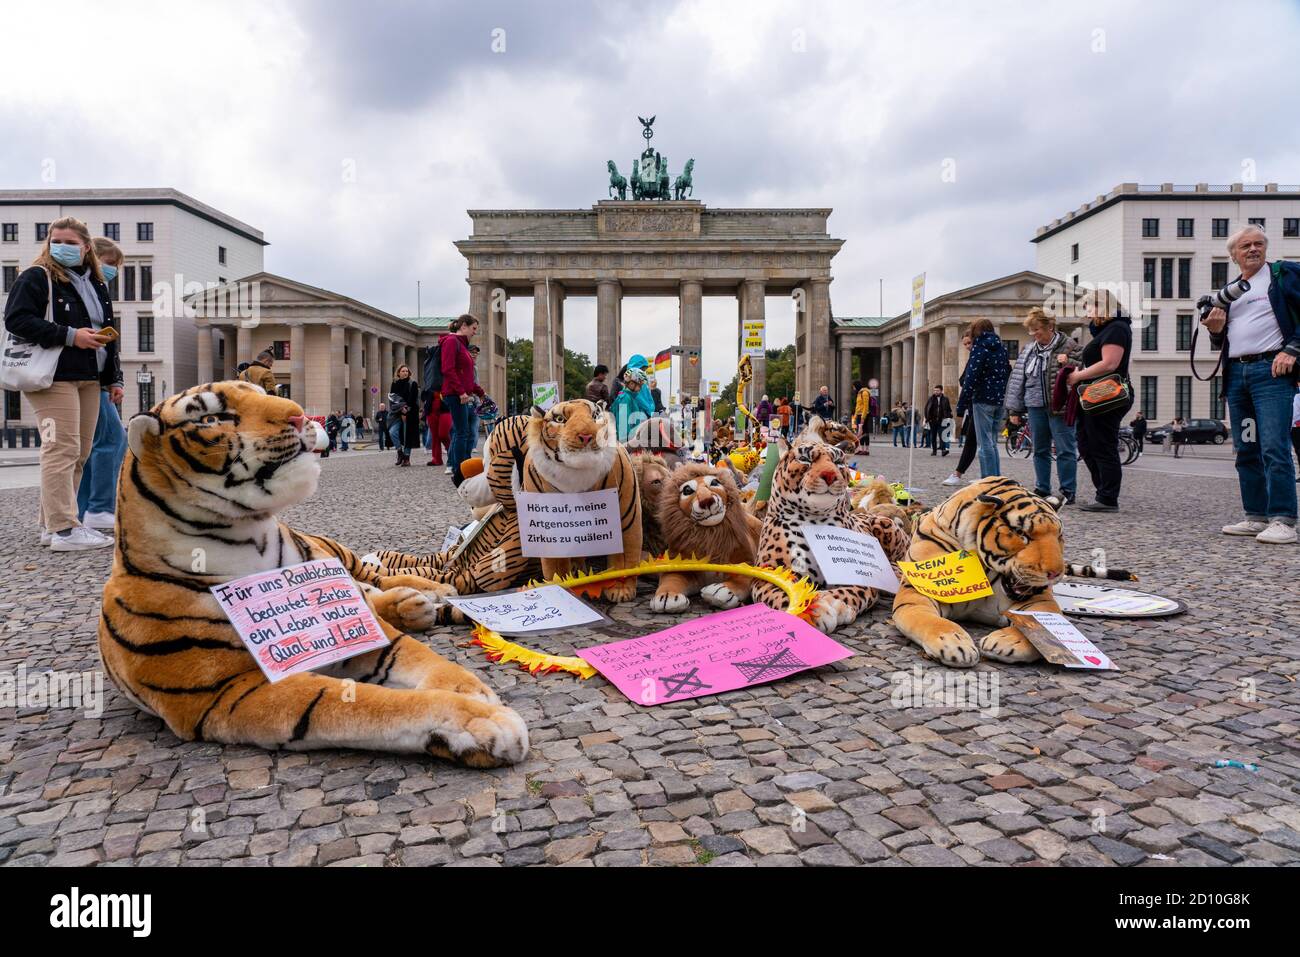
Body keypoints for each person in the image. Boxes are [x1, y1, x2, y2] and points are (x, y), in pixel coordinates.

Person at [3, 216, 121, 551]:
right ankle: (64, 529)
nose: (63, 247)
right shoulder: (36, 277)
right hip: (53, 376)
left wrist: (112, 377)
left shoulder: (96, 283)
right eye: (57, 240)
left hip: (88, 376)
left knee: (80, 452)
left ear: (86, 247)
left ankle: (51, 525)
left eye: (71, 242)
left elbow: (106, 334)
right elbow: (16, 319)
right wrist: (70, 336)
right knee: (60, 449)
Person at [1203, 226, 1299, 542]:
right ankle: (1256, 516)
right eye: (1245, 245)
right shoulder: (1231, 291)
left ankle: (1283, 519)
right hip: (1237, 376)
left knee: (1274, 445)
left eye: (1258, 244)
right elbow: (1221, 340)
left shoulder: (1283, 275)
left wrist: (1292, 350)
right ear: (1234, 255)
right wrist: (1215, 330)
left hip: (1271, 373)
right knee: (1247, 447)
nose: (1253, 249)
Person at [74, 237, 128, 534]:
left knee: (93, 447)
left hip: (97, 378)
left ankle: (85, 510)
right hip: (87, 377)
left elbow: (110, 346)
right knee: (113, 440)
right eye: (109, 264)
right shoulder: (85, 289)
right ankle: (99, 508)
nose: (112, 272)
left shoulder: (98, 291)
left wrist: (114, 379)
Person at [1004, 307, 1083, 502]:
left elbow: (1084, 366)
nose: (1033, 334)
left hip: (1060, 406)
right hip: (1034, 406)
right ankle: (1042, 487)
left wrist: (1068, 360)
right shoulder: (1029, 349)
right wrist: (1015, 409)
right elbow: (1017, 380)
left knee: (1065, 449)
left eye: (1037, 329)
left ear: (1050, 326)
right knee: (1040, 449)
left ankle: (1067, 491)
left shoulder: (1070, 346)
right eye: (1031, 330)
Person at [1068, 288, 1134, 512]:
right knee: (1086, 443)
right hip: (1098, 394)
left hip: (1108, 394)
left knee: (1102, 444)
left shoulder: (1116, 329)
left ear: (1101, 305)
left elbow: (1110, 364)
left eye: (1088, 307)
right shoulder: (1108, 330)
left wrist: (1077, 376)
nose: (1087, 314)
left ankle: (1108, 498)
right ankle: (1103, 493)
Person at [955, 318, 1010, 478]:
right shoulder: (1002, 348)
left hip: (982, 399)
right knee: (992, 442)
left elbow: (970, 379)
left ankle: (988, 481)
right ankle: (996, 478)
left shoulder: (979, 348)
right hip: (999, 400)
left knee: (984, 444)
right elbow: (1007, 371)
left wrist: (961, 406)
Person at [440, 314, 484, 484]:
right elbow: (448, 369)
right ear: (463, 326)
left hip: (462, 395)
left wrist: (480, 392)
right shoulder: (451, 342)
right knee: (461, 433)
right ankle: (460, 471)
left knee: (463, 433)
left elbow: (467, 377)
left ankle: (466, 469)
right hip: (455, 395)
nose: (474, 332)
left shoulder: (462, 345)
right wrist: (460, 392)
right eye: (473, 329)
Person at [388, 366, 421, 467]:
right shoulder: (394, 384)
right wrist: (400, 409)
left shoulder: (413, 384)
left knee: (407, 436)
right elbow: (392, 398)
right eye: (403, 371)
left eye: (407, 371)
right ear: (398, 373)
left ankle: (407, 458)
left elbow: (412, 399)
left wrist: (405, 411)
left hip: (410, 413)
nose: (405, 373)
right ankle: (400, 452)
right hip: (396, 413)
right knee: (392, 432)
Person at [611, 365, 649, 442]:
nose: (640, 388)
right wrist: (627, 445)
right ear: (632, 384)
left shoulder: (630, 397)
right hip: (626, 443)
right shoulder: (625, 398)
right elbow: (623, 427)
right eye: (640, 385)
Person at [924, 385, 953, 457]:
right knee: (933, 436)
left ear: (941, 391)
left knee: (942, 435)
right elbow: (926, 408)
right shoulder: (931, 399)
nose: (935, 392)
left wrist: (948, 417)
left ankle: (943, 450)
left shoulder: (946, 399)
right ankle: (934, 451)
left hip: (942, 420)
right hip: (933, 420)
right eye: (935, 390)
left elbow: (948, 409)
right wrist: (928, 418)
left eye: (937, 390)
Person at [851, 380, 872, 453]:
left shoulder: (864, 393)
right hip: (859, 415)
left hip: (864, 415)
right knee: (860, 432)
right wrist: (856, 415)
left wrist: (863, 417)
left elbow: (866, 406)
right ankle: (861, 448)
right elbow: (858, 406)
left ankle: (866, 449)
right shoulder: (859, 393)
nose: (853, 388)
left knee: (865, 432)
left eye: (853, 387)